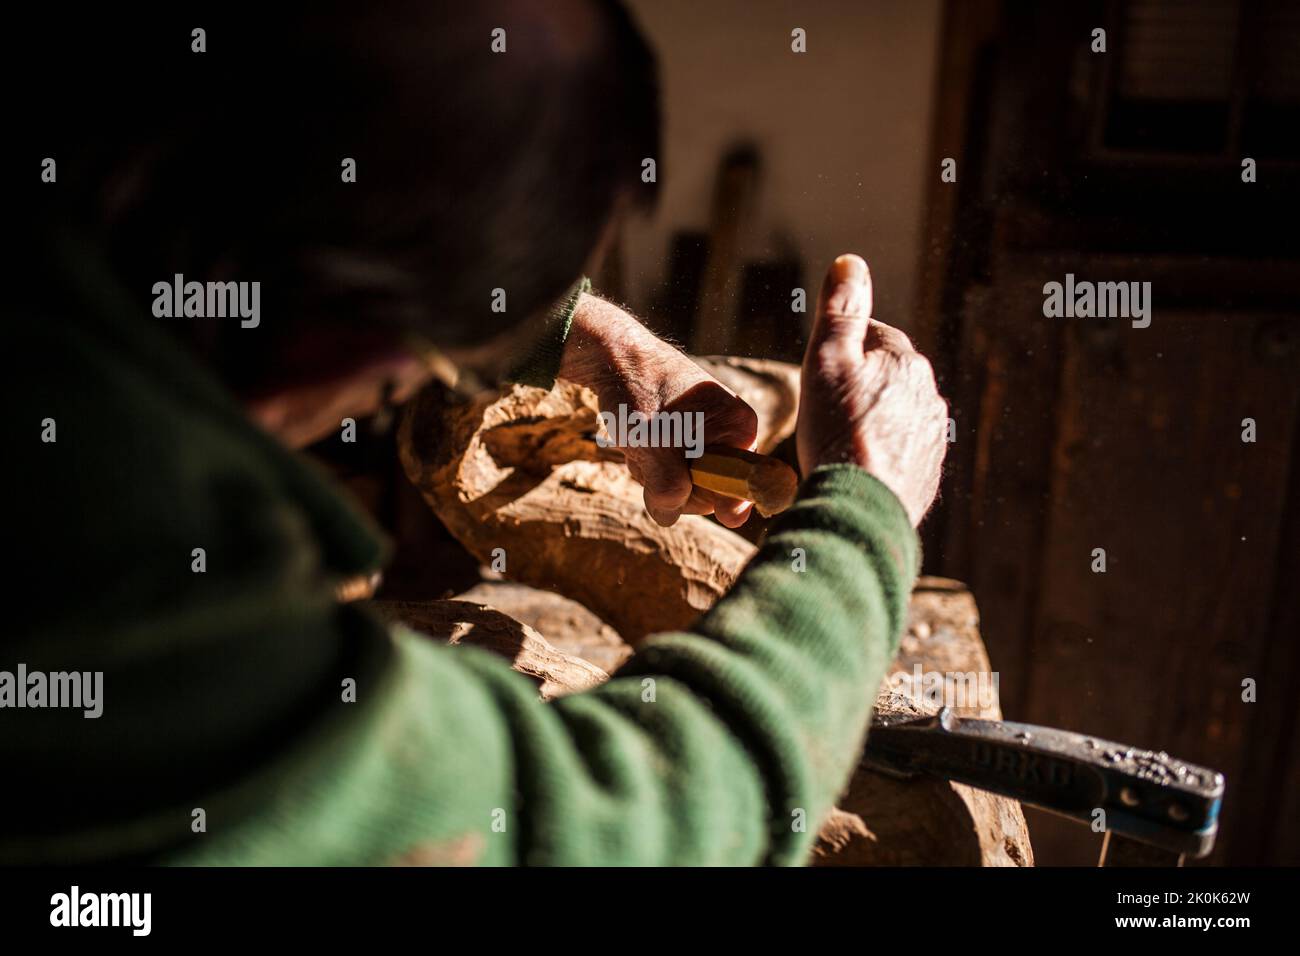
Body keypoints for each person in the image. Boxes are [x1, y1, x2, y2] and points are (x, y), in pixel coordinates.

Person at [7, 1, 946, 864]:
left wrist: (587, 337)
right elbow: (630, 823)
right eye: (427, 363)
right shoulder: (140, 614)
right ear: (361, 354)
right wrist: (864, 512)